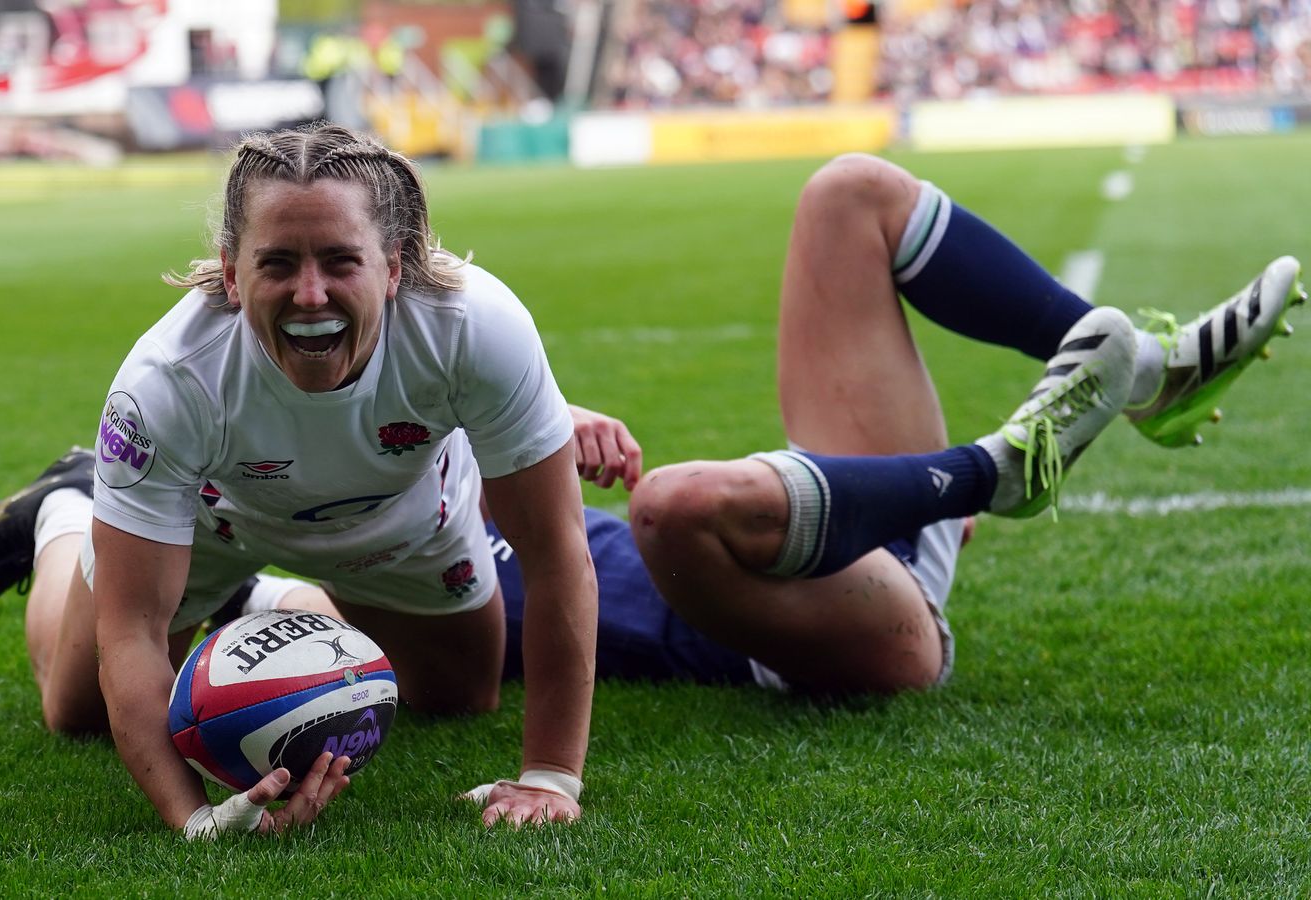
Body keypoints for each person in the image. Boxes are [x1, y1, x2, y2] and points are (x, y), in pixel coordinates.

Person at [170, 153, 1307, 700]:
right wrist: (79, 521)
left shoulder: (415, 431)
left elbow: (414, 409)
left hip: (851, 522)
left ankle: (1142, 379)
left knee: (847, 195)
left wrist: (551, 419)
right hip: (827, 627)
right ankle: (991, 475)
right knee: (672, 505)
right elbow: (276, 609)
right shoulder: (358, 577)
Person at [0, 125, 598, 839]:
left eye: (341, 261)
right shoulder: (169, 378)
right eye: (278, 263)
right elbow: (131, 628)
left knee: (458, 697)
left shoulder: (477, 325)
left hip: (404, 523)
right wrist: (197, 820)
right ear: (231, 271)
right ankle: (64, 516)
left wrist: (549, 778)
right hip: (210, 523)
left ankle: (268, 599)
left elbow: (557, 556)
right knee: (76, 713)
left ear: (395, 264)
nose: (310, 294)